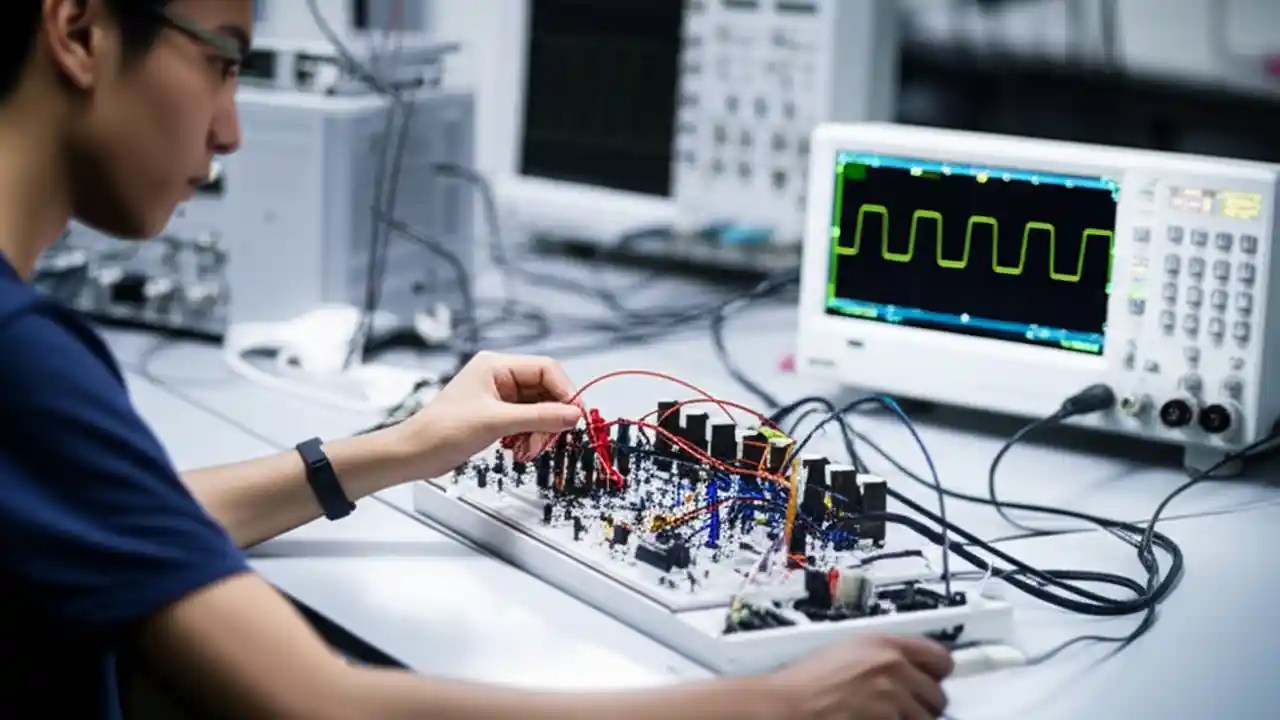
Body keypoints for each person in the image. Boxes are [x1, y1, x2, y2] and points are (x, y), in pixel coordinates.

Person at [0, 1, 955, 718]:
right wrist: (771, 705)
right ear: (80, 30)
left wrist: (403, 447)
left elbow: (123, 518)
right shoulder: (27, 363)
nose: (232, 130)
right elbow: (321, 705)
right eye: (223, 62)